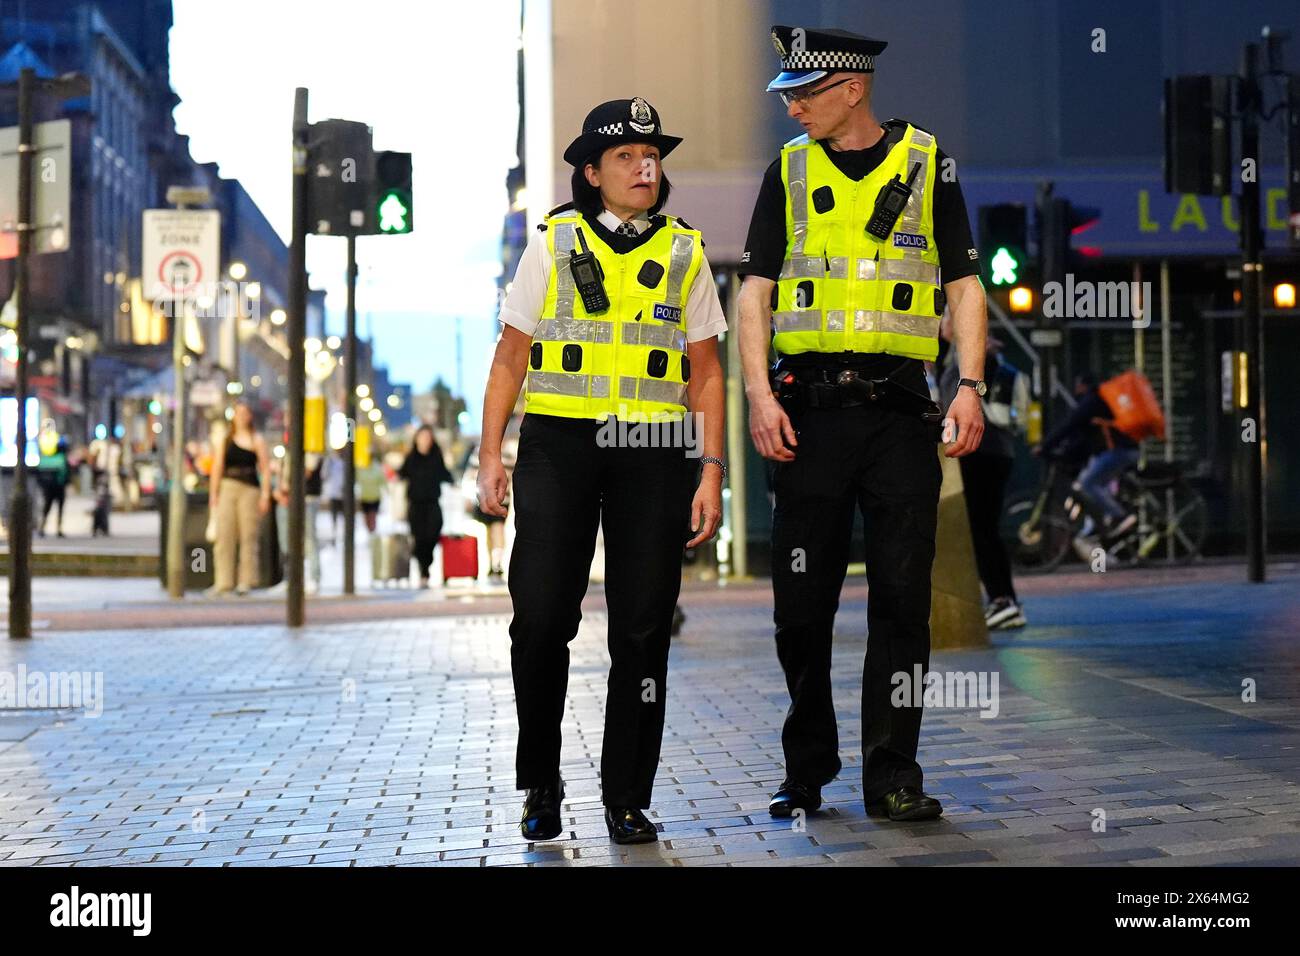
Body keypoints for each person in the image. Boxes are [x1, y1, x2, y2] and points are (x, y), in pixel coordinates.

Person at [739, 26, 989, 824]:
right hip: (807, 414)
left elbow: (964, 285)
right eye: (788, 96)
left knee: (903, 602)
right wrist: (758, 395)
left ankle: (893, 773)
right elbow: (755, 293)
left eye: (804, 94)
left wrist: (970, 385)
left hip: (899, 414)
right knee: (801, 606)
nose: (792, 109)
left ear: (852, 88)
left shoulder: (926, 161)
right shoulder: (787, 171)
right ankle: (806, 768)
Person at [478, 96, 727, 845]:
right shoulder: (551, 244)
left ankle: (627, 795)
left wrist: (711, 468)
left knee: (644, 630)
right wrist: (491, 454)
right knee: (543, 620)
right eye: (626, 155)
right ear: (592, 172)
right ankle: (541, 781)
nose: (645, 165)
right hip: (560, 446)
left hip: (653, 453)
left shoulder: (685, 251)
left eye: (652, 154)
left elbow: (706, 375)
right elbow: (510, 358)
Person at [939, 320, 1029, 630]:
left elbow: (948, 403)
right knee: (984, 528)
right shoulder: (1001, 368)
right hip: (998, 452)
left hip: (979, 452)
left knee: (982, 530)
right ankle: (1003, 599)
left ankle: (1003, 599)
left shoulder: (975, 366)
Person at [1037, 371, 1139, 549]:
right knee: (1091, 482)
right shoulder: (1099, 402)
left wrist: (1045, 446)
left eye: (1078, 385)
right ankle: (1104, 524)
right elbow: (1081, 438)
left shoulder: (1091, 402)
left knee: (1088, 484)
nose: (1076, 389)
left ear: (1083, 385)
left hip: (1117, 452)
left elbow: (1069, 425)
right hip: (1118, 451)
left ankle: (1119, 517)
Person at [208, 403, 271, 595]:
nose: (242, 416)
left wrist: (265, 494)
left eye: (245, 413)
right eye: (238, 413)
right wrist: (214, 493)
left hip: (250, 488)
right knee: (224, 535)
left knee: (248, 535)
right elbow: (217, 467)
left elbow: (265, 469)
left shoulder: (257, 440)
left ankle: (246, 581)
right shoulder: (225, 439)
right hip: (228, 486)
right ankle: (223, 582)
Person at [398, 426, 452, 587]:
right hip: (415, 504)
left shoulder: (436, 456)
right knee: (419, 537)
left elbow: (444, 473)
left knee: (433, 534)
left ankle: (425, 563)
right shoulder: (411, 457)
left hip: (433, 502)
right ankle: (423, 570)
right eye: (422, 437)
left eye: (428, 437)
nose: (425, 440)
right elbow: (401, 474)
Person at [274, 450, 322, 593]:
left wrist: (288, 489)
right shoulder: (287, 444)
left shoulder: (312, 441)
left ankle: (313, 577)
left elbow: (308, 470)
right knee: (285, 540)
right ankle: (289, 578)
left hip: (305, 497)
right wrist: (278, 490)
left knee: (308, 538)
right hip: (285, 498)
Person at [36, 432, 71, 538]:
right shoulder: (61, 459)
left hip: (48, 488)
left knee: (46, 507)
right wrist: (65, 482)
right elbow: (66, 474)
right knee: (60, 508)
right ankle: (59, 529)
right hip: (59, 488)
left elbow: (39, 474)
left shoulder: (45, 459)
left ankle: (42, 527)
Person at [356, 456, 387, 534]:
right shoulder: (361, 469)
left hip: (375, 497)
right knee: (367, 516)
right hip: (365, 497)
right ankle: (369, 530)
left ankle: (372, 530)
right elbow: (357, 480)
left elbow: (382, 481)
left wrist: (387, 490)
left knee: (372, 515)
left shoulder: (377, 469)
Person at [322, 451, 345, 545]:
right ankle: (335, 535)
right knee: (334, 517)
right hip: (334, 494)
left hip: (343, 494)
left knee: (343, 517)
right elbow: (324, 475)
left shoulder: (345, 462)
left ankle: (343, 536)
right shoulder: (330, 462)